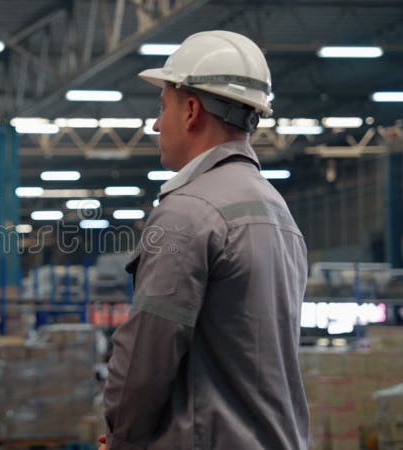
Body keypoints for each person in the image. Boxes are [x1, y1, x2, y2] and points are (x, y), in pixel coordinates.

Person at [101, 31, 309, 449]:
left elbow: (146, 357)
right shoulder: (278, 213)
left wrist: (119, 434)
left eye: (163, 106)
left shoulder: (188, 211)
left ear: (192, 109)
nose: (158, 124)